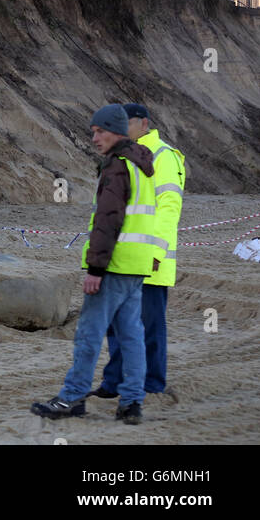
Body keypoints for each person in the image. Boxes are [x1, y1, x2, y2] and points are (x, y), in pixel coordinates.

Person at [31, 104, 158, 425]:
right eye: (93, 131)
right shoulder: (141, 166)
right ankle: (132, 403)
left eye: (100, 131)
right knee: (131, 337)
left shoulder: (116, 167)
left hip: (113, 266)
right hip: (137, 266)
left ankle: (71, 398)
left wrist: (96, 269)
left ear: (116, 131)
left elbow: (107, 221)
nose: (94, 138)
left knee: (89, 334)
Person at [91, 103, 185, 399]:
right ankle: (114, 383)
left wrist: (155, 253)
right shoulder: (119, 156)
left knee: (148, 325)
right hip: (121, 259)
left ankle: (152, 384)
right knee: (117, 325)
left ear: (143, 124)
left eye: (124, 123)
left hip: (149, 260)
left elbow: (169, 208)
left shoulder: (162, 155)